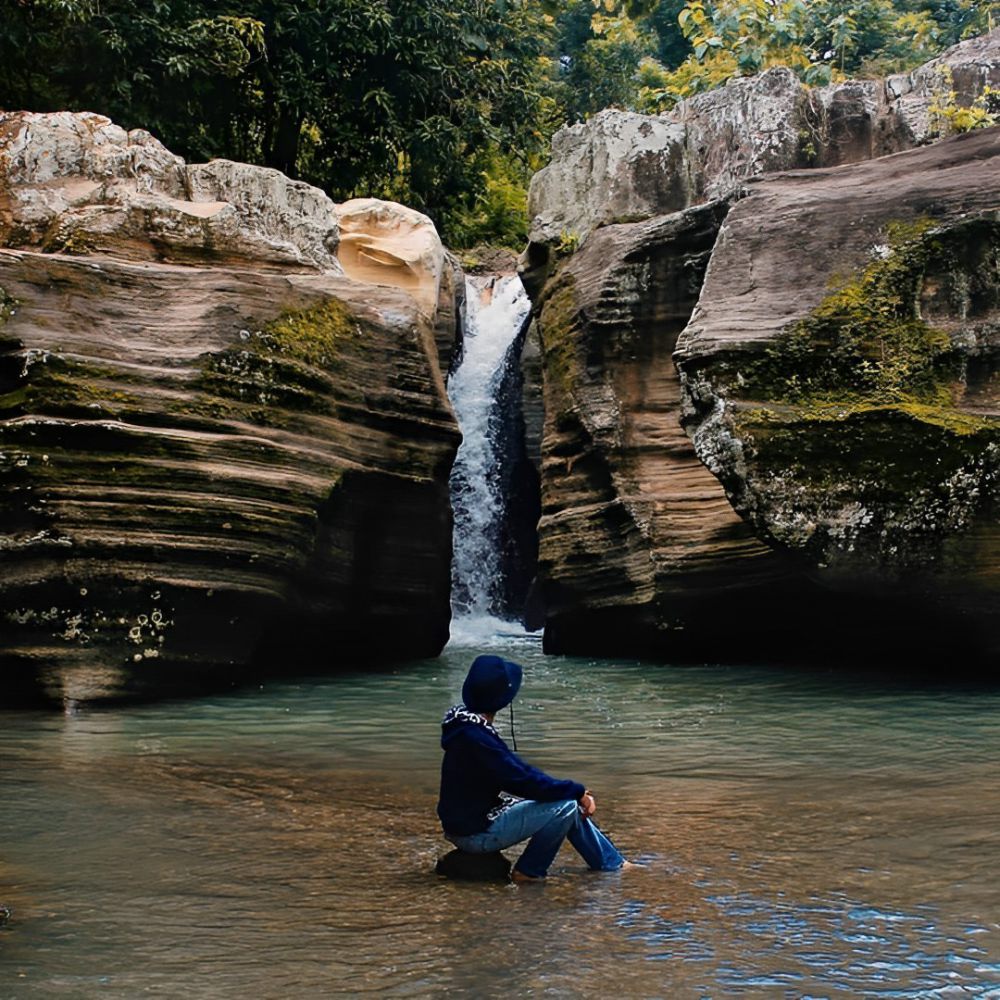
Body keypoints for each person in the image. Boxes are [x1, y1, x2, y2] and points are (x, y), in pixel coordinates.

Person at [437, 653, 630, 883]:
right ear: (504, 699)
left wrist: (571, 790)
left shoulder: (464, 724)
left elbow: (521, 774)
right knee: (565, 806)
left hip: (467, 823)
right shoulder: (477, 738)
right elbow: (523, 781)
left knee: (565, 799)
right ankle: (529, 871)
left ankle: (612, 863)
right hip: (474, 834)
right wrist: (577, 791)